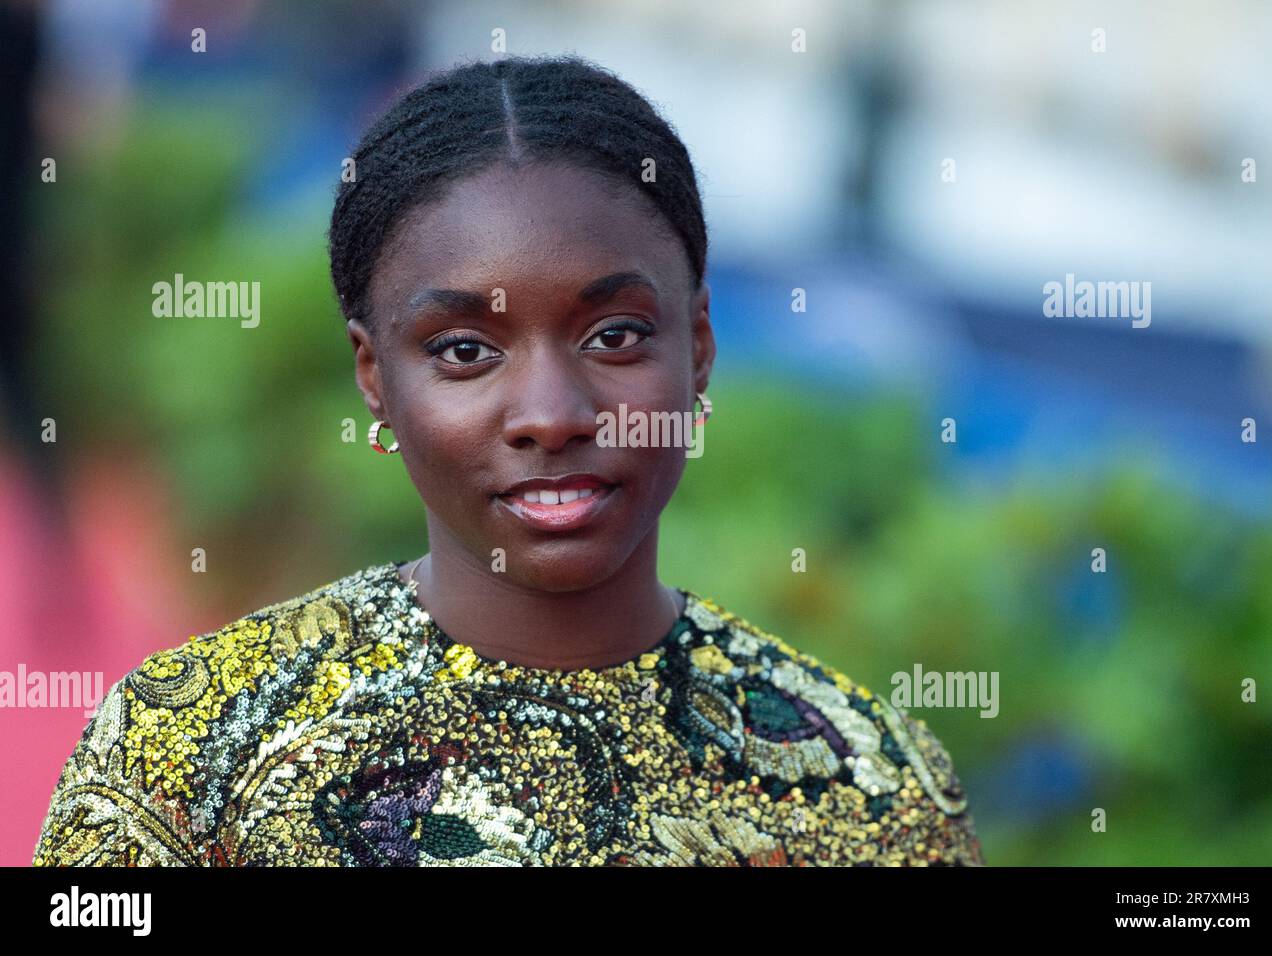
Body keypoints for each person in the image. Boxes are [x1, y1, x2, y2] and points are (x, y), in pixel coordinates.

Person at [32, 54, 984, 866]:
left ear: (699, 348)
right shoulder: (183, 757)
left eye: (614, 335)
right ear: (374, 378)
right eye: (463, 351)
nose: (551, 415)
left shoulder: (872, 788)